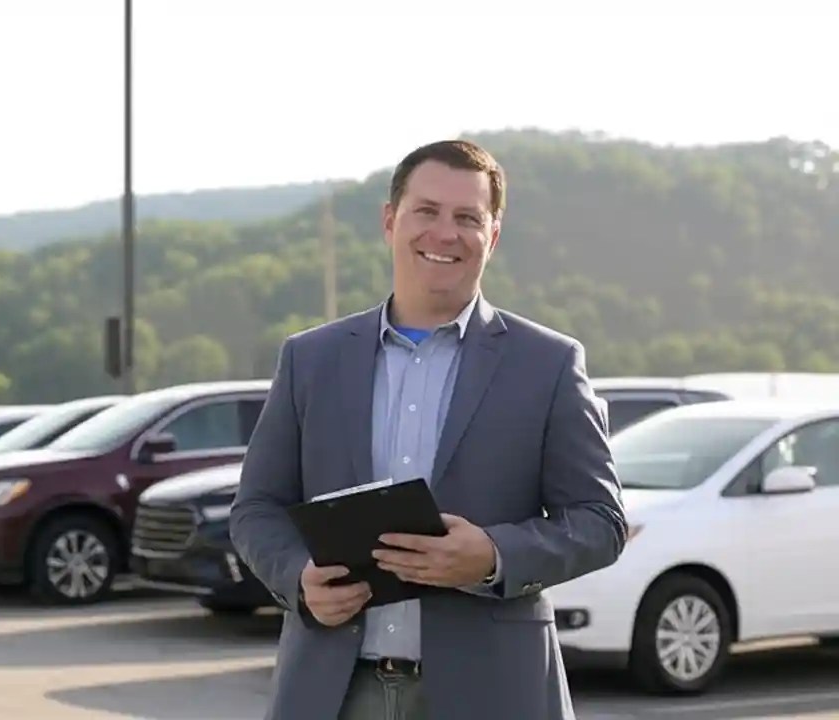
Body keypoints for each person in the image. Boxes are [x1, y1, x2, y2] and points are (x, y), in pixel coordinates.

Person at [229, 139, 627, 720]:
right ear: (391, 221)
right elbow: (256, 508)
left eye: (468, 218)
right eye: (427, 211)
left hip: (492, 692)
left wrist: (493, 555)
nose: (445, 233)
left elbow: (601, 521)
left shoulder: (549, 364)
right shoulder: (309, 360)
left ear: (491, 236)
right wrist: (297, 578)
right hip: (332, 692)